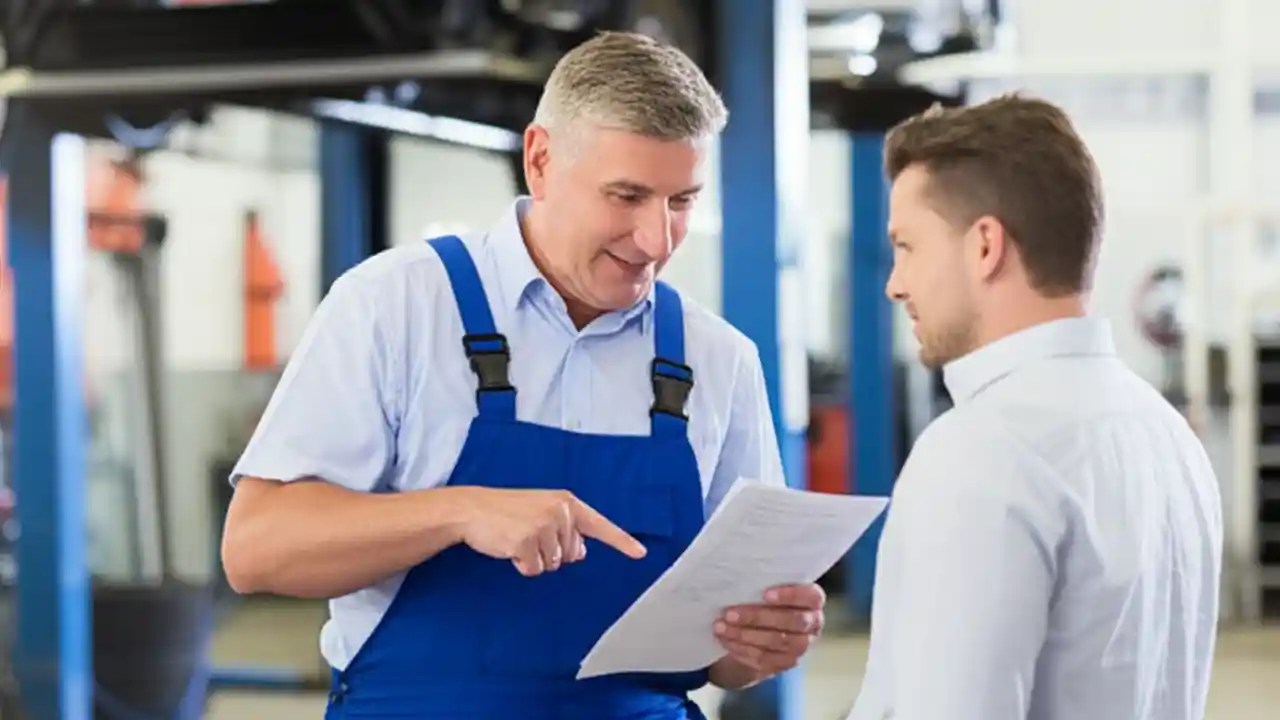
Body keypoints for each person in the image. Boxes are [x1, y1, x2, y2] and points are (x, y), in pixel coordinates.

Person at [220, 31, 826, 719]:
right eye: (626, 195)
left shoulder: (720, 360)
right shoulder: (395, 306)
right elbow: (256, 548)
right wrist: (461, 511)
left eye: (681, 201)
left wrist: (759, 643)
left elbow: (725, 657)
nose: (656, 240)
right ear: (540, 160)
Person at [847, 95, 1223, 720]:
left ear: (984, 246)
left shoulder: (979, 451)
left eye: (907, 246)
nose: (894, 282)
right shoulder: (1167, 436)